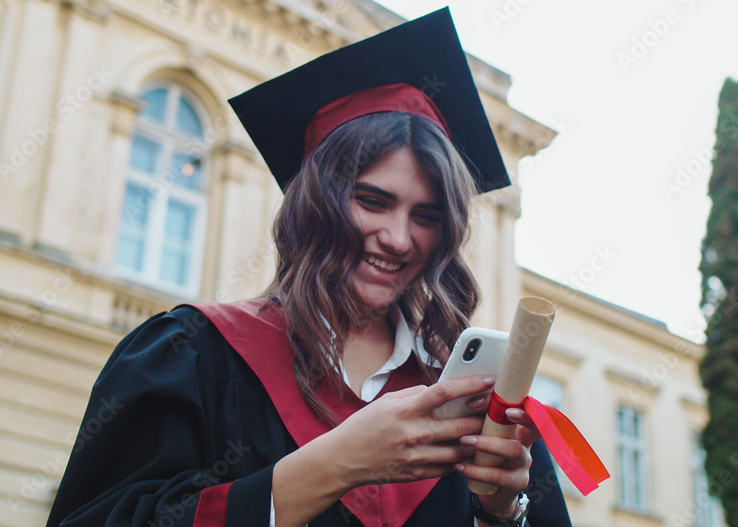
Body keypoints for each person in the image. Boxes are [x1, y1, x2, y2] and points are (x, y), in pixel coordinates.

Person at [46, 8, 572, 527]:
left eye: (426, 216)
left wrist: (501, 513)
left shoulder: (470, 401)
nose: (398, 238)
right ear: (315, 203)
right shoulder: (195, 357)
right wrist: (336, 464)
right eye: (372, 201)